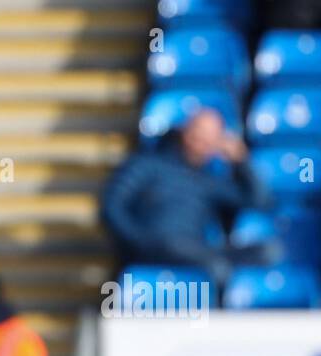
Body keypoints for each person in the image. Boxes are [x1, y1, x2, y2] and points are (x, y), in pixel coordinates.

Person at [100, 108, 275, 287]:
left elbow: (258, 201)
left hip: (196, 249)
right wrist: (139, 242)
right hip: (157, 246)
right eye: (198, 135)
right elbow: (112, 207)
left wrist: (241, 162)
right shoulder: (147, 164)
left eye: (209, 139)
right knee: (214, 266)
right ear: (185, 131)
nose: (201, 143)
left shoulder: (209, 179)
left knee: (269, 252)